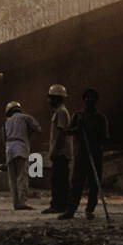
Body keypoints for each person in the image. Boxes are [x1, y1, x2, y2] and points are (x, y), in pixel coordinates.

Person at [60, 88, 109, 219]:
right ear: (84, 100)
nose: (89, 100)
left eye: (92, 98)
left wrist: (98, 145)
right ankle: (71, 210)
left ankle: (90, 210)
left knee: (94, 184)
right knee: (76, 183)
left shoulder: (100, 118)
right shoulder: (78, 116)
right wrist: (78, 128)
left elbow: (105, 137)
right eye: (87, 97)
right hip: (81, 155)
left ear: (96, 101)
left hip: (95, 155)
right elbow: (68, 131)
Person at [3, 101, 42, 210]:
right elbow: (38, 129)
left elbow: (4, 137)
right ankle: (22, 202)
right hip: (21, 147)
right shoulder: (26, 117)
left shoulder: (7, 121)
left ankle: (15, 203)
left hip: (9, 149)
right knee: (22, 176)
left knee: (12, 178)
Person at [43, 84, 71, 214]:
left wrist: (54, 151)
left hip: (61, 153)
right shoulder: (60, 111)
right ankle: (62, 205)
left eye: (51, 98)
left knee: (58, 180)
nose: (49, 101)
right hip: (61, 152)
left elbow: (61, 134)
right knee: (60, 179)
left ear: (56, 98)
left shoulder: (61, 112)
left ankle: (57, 205)